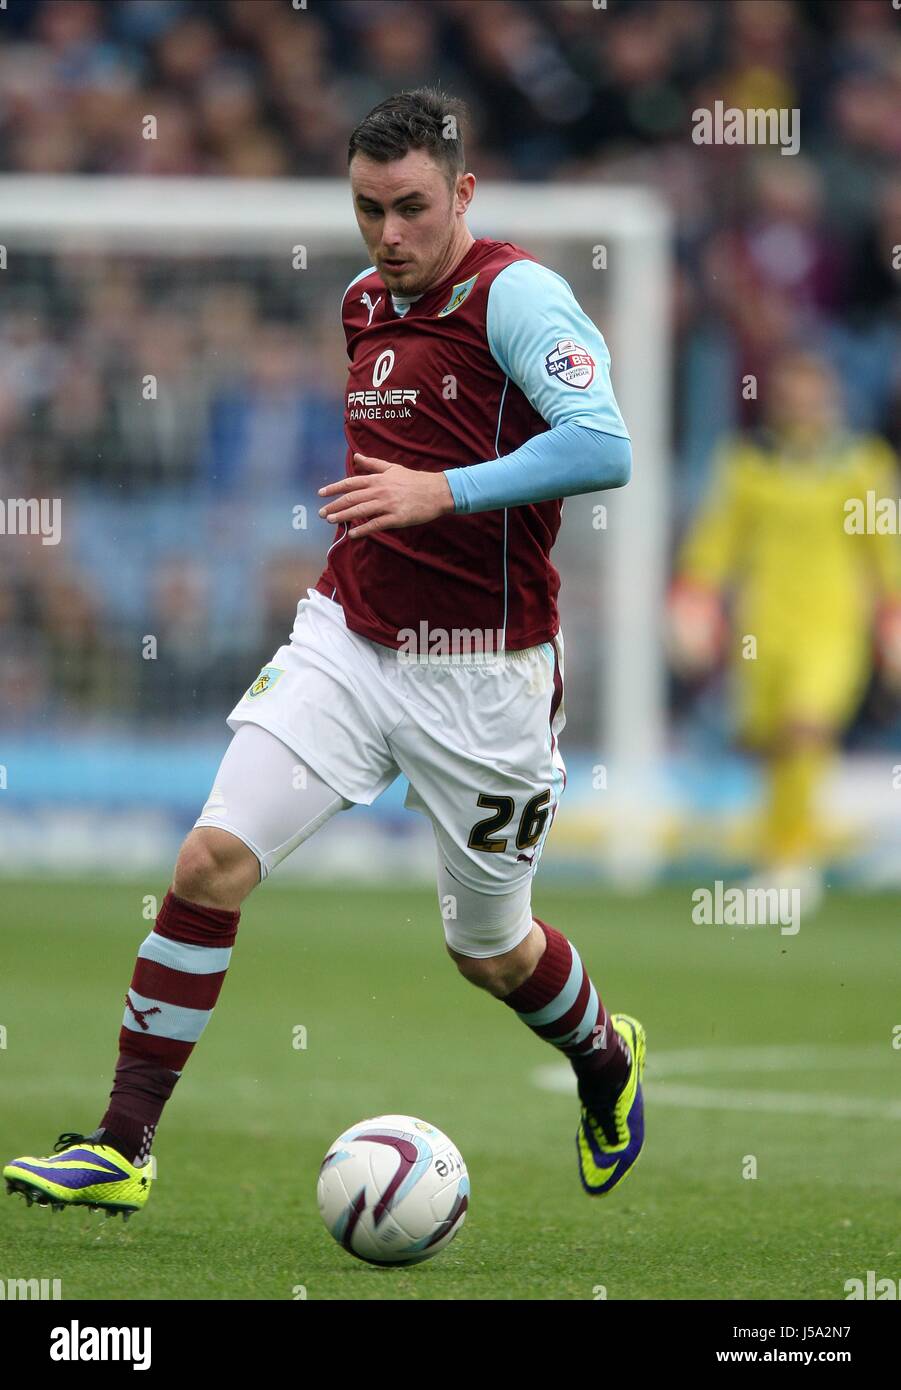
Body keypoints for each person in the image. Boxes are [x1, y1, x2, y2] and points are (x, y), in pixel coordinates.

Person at [5, 88, 641, 1221]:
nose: (388, 236)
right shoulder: (359, 302)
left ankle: (603, 1057)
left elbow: (604, 445)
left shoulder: (516, 295)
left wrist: (441, 491)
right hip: (347, 640)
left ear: (463, 194)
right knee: (206, 862)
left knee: (489, 950)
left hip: (488, 677)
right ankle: (121, 1143)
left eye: (409, 209)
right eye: (366, 209)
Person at [668, 350, 901, 900]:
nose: (801, 404)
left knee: (805, 725)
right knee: (775, 745)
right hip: (764, 629)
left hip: (833, 628)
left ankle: (793, 864)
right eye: (790, 393)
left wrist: (892, 615)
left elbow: (885, 549)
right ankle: (780, 854)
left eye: (811, 393)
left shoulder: (863, 464)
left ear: (831, 398)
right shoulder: (748, 464)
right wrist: (694, 597)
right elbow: (717, 540)